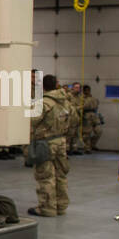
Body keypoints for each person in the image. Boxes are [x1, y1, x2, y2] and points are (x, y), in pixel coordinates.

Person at [28, 74, 70, 217]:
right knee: (60, 174)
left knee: (45, 175)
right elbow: (74, 118)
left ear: (43, 86)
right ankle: (61, 205)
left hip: (45, 143)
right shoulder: (65, 101)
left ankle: (47, 208)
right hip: (61, 142)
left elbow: (31, 119)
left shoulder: (44, 102)